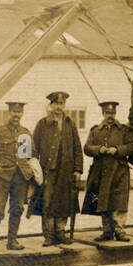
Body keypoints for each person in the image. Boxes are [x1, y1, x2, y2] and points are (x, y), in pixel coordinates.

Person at [30, 91, 83, 247]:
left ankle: (60, 233)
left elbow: (77, 148)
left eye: (62, 104)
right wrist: (36, 170)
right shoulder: (42, 124)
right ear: (50, 105)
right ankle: (49, 235)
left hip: (66, 172)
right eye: (56, 104)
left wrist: (78, 170)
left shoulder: (70, 123)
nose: (59, 107)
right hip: (49, 172)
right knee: (47, 203)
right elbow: (33, 149)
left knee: (64, 203)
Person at [81, 101, 133, 242]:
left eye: (112, 113)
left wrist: (118, 150)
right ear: (103, 114)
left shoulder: (124, 130)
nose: (110, 116)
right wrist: (98, 150)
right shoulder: (95, 131)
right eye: (107, 113)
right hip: (101, 171)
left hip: (119, 171)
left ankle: (120, 231)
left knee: (119, 201)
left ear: (116, 113)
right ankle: (107, 231)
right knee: (103, 200)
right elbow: (87, 148)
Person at [0, 100, 32, 251]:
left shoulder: (25, 133)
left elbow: (29, 156)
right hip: (2, 177)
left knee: (17, 209)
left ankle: (12, 241)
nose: (16, 115)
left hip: (20, 179)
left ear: (22, 114)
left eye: (19, 112)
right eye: (14, 112)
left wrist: (29, 173)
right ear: (9, 113)